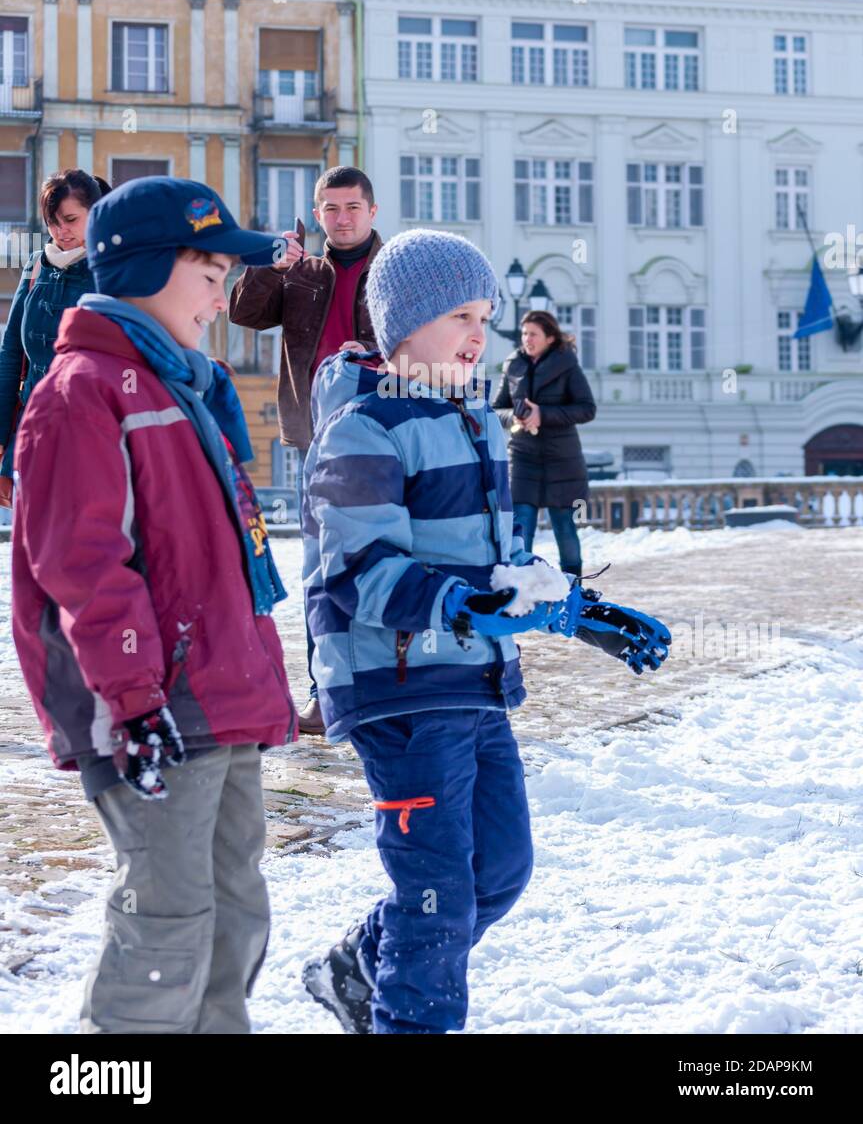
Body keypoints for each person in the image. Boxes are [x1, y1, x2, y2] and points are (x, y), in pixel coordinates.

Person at [299, 230, 670, 1034]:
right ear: (403, 325)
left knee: (498, 872)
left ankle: (355, 965)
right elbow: (356, 571)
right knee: (436, 899)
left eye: (484, 317)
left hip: (474, 683)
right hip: (397, 691)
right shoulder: (363, 428)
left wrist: (575, 610)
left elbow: (500, 566)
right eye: (459, 315)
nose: (478, 334)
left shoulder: (470, 425)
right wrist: (462, 609)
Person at [11, 176, 298, 1034]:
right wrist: (135, 703)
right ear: (143, 271)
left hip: (220, 696)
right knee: (164, 929)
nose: (223, 298)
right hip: (150, 708)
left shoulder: (181, 384)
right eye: (210, 275)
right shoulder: (81, 392)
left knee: (235, 914)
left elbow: (222, 556)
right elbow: (84, 566)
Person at [229, 165, 382, 735]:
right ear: (317, 215)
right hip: (315, 437)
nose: (341, 219)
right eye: (331, 209)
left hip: (384, 434)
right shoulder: (300, 272)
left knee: (381, 562)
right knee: (320, 567)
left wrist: (365, 352)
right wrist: (271, 266)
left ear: (372, 212)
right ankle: (328, 694)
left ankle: (387, 685)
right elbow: (244, 313)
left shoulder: (394, 268)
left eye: (352, 208)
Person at [0, 169, 108, 504]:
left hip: (93, 438)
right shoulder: (35, 266)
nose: (61, 231)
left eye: (71, 219)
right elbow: (10, 355)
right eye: (52, 221)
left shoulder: (113, 272)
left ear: (96, 213)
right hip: (33, 433)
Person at [494, 309, 597, 578]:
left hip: (562, 459)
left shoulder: (567, 364)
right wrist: (514, 416)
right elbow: (495, 411)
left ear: (550, 338)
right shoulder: (513, 363)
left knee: (564, 527)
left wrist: (543, 414)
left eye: (534, 334)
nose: (527, 339)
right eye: (524, 333)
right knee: (521, 525)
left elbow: (587, 409)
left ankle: (575, 589)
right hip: (523, 456)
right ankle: (521, 589)